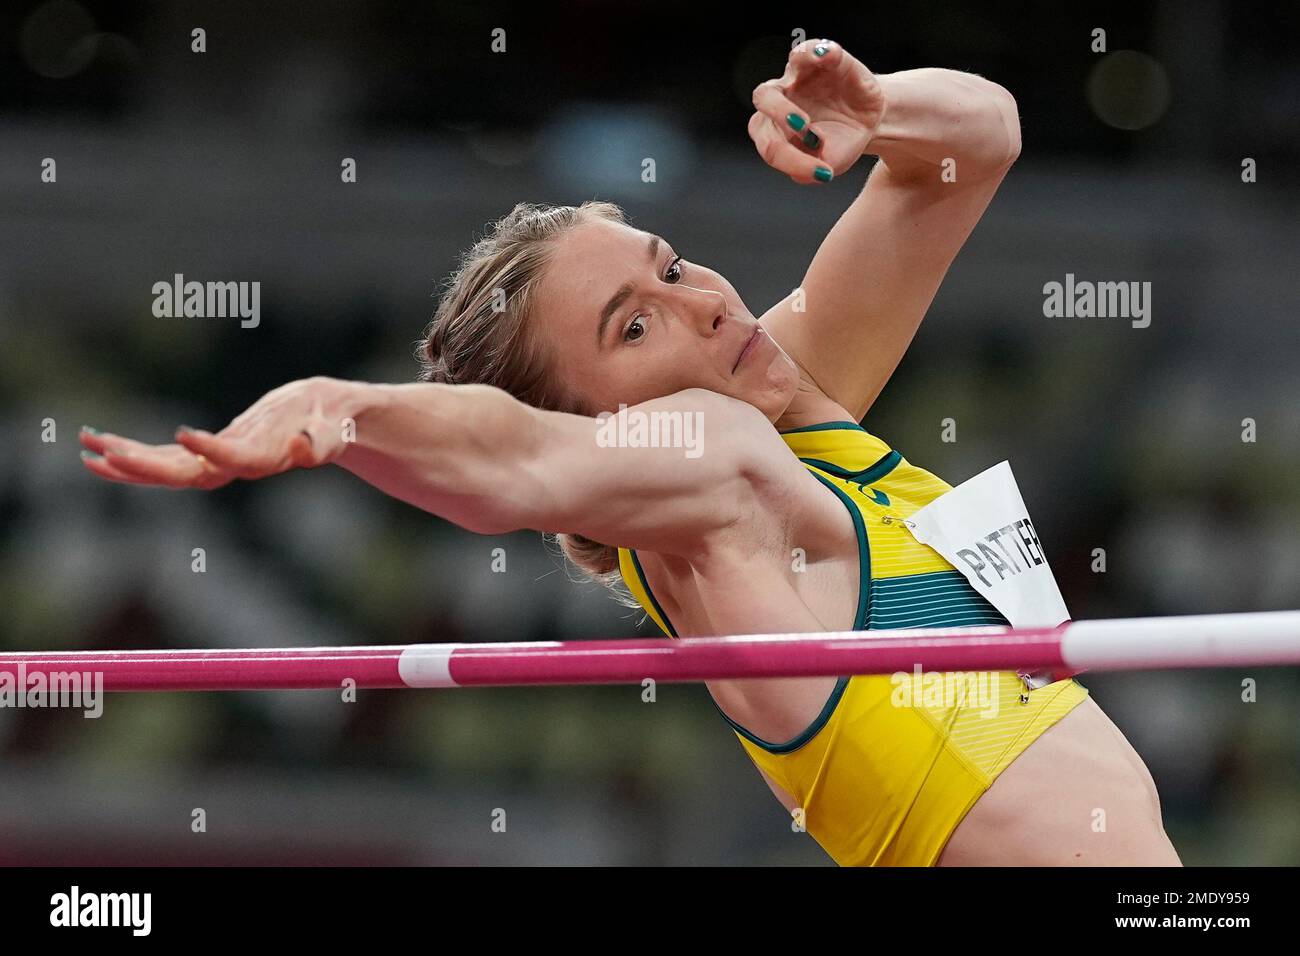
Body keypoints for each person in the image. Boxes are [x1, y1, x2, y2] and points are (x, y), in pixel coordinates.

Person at [79, 40, 1180, 866]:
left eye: (670, 263)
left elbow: (977, 143)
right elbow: (517, 464)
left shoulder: (786, 404)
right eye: (632, 326)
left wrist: (880, 111)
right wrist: (345, 404)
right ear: (601, 419)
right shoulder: (716, 482)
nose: (699, 301)